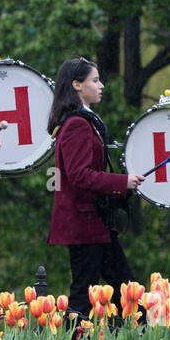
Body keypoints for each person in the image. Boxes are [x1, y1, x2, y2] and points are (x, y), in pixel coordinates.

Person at [46, 57, 144, 322]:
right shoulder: (77, 124)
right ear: (77, 85)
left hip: (93, 223)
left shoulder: (82, 120)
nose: (101, 85)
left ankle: (130, 337)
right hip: (85, 223)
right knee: (98, 292)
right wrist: (121, 182)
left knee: (123, 290)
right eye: (95, 80)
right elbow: (80, 175)